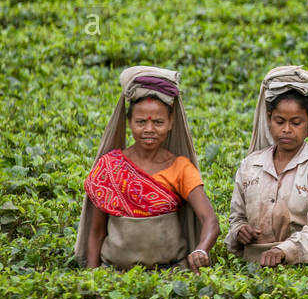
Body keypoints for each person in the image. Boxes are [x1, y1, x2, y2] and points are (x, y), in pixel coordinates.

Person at [76, 66, 219, 270]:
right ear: (129, 122)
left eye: (158, 122)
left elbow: (210, 219)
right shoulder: (110, 166)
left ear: (171, 122)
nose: (149, 129)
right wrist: (92, 276)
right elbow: (97, 233)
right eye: (141, 122)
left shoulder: (180, 168)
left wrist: (201, 249)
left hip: (170, 274)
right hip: (115, 276)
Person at [227, 66, 308, 268]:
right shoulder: (250, 165)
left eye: (296, 122)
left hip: (306, 270)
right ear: (269, 120)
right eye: (279, 121)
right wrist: (240, 231)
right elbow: (237, 217)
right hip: (252, 269)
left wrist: (285, 250)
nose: (286, 129)